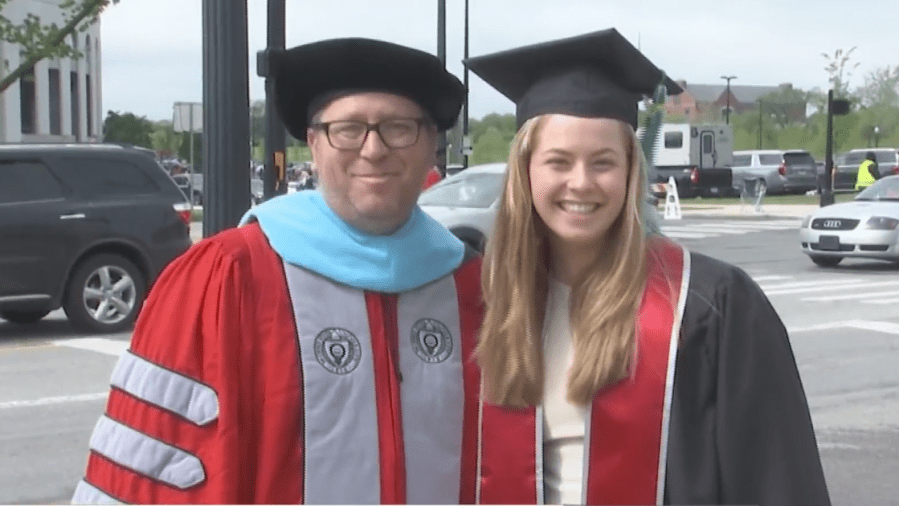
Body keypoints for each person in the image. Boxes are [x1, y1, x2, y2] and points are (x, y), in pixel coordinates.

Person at [72, 38, 483, 504]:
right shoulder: (227, 275)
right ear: (313, 144)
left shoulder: (470, 284)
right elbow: (153, 464)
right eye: (347, 129)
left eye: (400, 127)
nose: (374, 149)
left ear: (432, 144)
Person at [466, 29, 831, 506]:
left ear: (631, 172)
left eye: (603, 162)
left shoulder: (708, 306)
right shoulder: (483, 301)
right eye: (558, 161)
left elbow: (776, 481)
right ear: (525, 171)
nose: (581, 183)